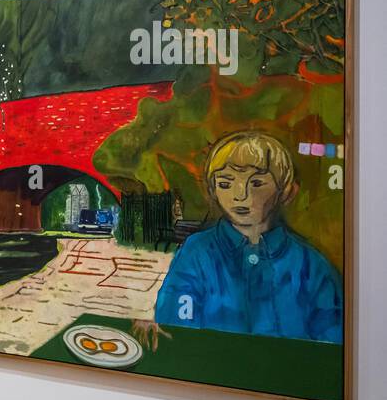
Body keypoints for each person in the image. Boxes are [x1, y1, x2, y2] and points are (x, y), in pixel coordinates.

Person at [138, 130, 342, 349]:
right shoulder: (197, 252)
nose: (240, 194)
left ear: (286, 192)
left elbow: (331, 344)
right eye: (225, 184)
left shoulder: (310, 265)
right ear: (213, 191)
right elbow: (175, 328)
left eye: (256, 183)